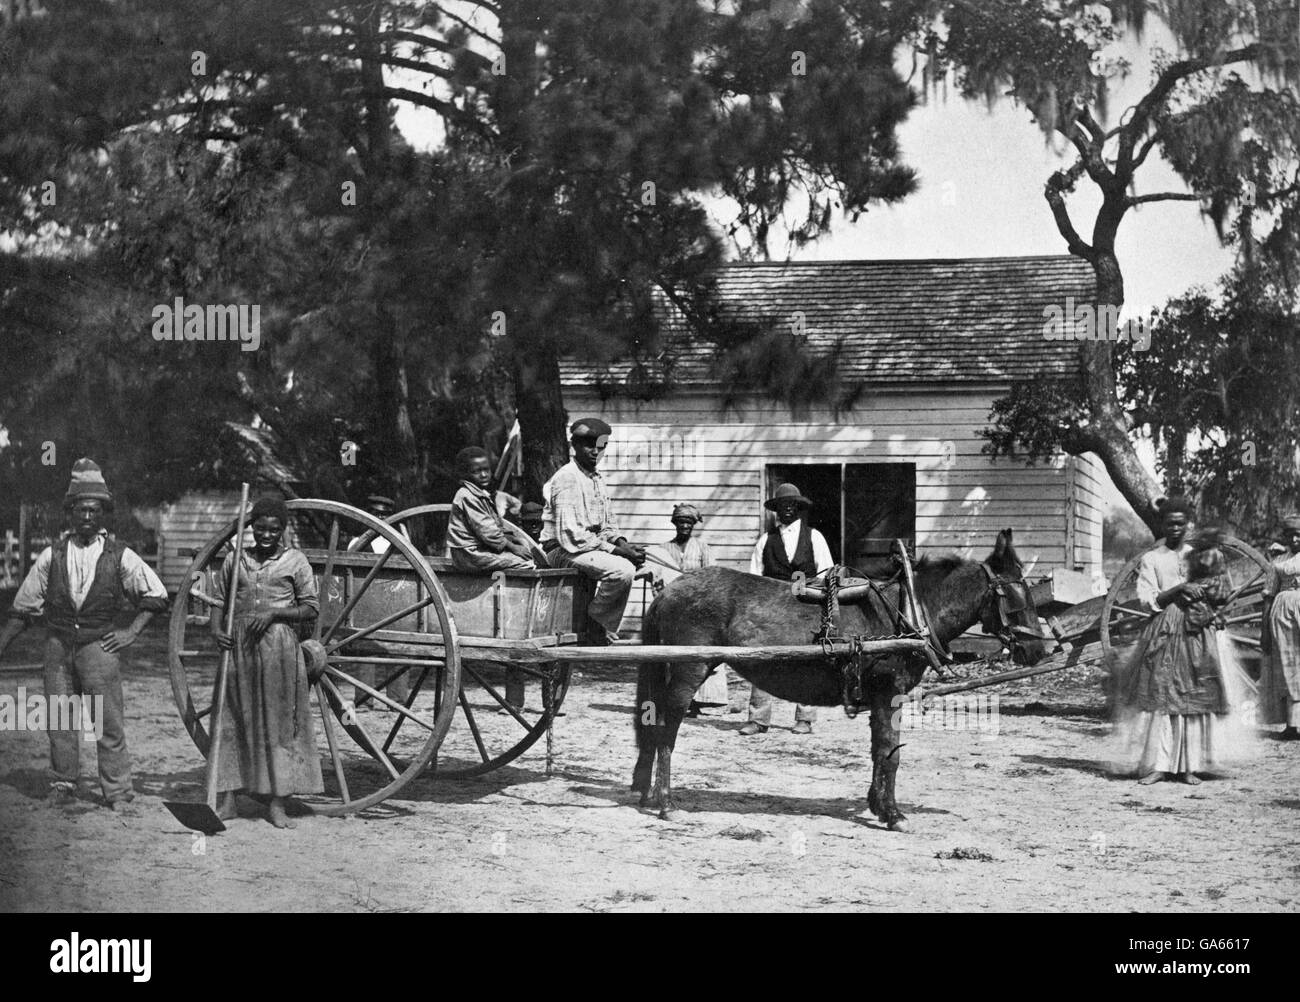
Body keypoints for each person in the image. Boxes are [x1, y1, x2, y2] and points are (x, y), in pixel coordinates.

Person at [0, 459, 169, 813]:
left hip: (99, 647)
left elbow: (157, 596)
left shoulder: (119, 555)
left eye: (94, 511)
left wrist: (130, 632)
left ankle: (119, 793)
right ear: (71, 513)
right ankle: (64, 783)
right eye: (81, 510)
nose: (87, 518)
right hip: (58, 647)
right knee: (60, 720)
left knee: (107, 722)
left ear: (103, 513)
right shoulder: (52, 555)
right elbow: (23, 609)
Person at [211, 496, 323, 828]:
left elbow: (311, 607)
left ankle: (277, 804)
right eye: (260, 528)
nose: (266, 535)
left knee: (277, 724)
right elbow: (219, 599)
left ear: (283, 530)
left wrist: (275, 612)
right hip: (240, 646)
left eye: (274, 529)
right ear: (252, 528)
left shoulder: (296, 561)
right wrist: (217, 629)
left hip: (278, 647)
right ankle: (228, 800)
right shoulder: (236, 560)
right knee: (233, 719)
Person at [1112, 500, 1231, 784]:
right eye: (1170, 523)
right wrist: (1179, 588)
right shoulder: (1152, 559)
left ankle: (1189, 766)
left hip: (1195, 630)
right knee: (1162, 694)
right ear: (1162, 525)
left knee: (1191, 693)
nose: (1175, 528)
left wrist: (1209, 602)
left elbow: (1217, 589)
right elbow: (1148, 599)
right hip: (1165, 626)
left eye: (1181, 523)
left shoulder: (1199, 554)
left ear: (1188, 524)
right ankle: (1159, 765)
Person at [541, 418, 645, 645]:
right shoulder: (567, 477)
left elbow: (608, 524)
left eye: (601, 447)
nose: (595, 452)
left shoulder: (596, 478)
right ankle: (594, 624)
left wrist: (623, 544)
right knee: (622, 571)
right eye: (589, 445)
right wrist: (617, 552)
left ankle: (597, 622)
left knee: (639, 562)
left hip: (583, 548)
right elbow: (571, 536)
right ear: (574, 446)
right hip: (562, 551)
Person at [741, 482, 833, 736]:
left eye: (792, 505)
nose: (788, 510)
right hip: (773, 608)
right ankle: (758, 719)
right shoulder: (765, 541)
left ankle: (805, 718)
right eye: (783, 506)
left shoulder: (814, 537)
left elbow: (826, 573)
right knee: (763, 660)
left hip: (807, 607)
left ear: (799, 508)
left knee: (808, 662)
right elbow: (754, 578)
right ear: (776, 510)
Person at [647, 504, 728, 716]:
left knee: (701, 653)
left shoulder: (702, 548)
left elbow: (713, 577)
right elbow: (655, 575)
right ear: (674, 524)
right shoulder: (663, 550)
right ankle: (676, 700)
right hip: (672, 609)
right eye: (681, 522)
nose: (684, 526)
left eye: (689, 523)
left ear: (693, 526)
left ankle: (706, 701)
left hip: (698, 610)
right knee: (672, 655)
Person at [448, 447, 541, 573]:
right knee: (526, 562)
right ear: (465, 473)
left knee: (524, 547)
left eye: (486, 469)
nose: (484, 475)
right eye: (476, 471)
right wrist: (513, 547)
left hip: (480, 549)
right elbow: (487, 531)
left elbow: (495, 525)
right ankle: (508, 591)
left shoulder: (479, 494)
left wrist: (513, 539)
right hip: (469, 554)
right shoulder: (467, 496)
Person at [1260, 514, 1300, 740]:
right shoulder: (1278, 563)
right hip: (1282, 614)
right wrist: (1264, 630)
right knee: (1287, 665)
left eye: (1299, 535)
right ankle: (1292, 724)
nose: (1295, 539)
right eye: (1290, 535)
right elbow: (1268, 596)